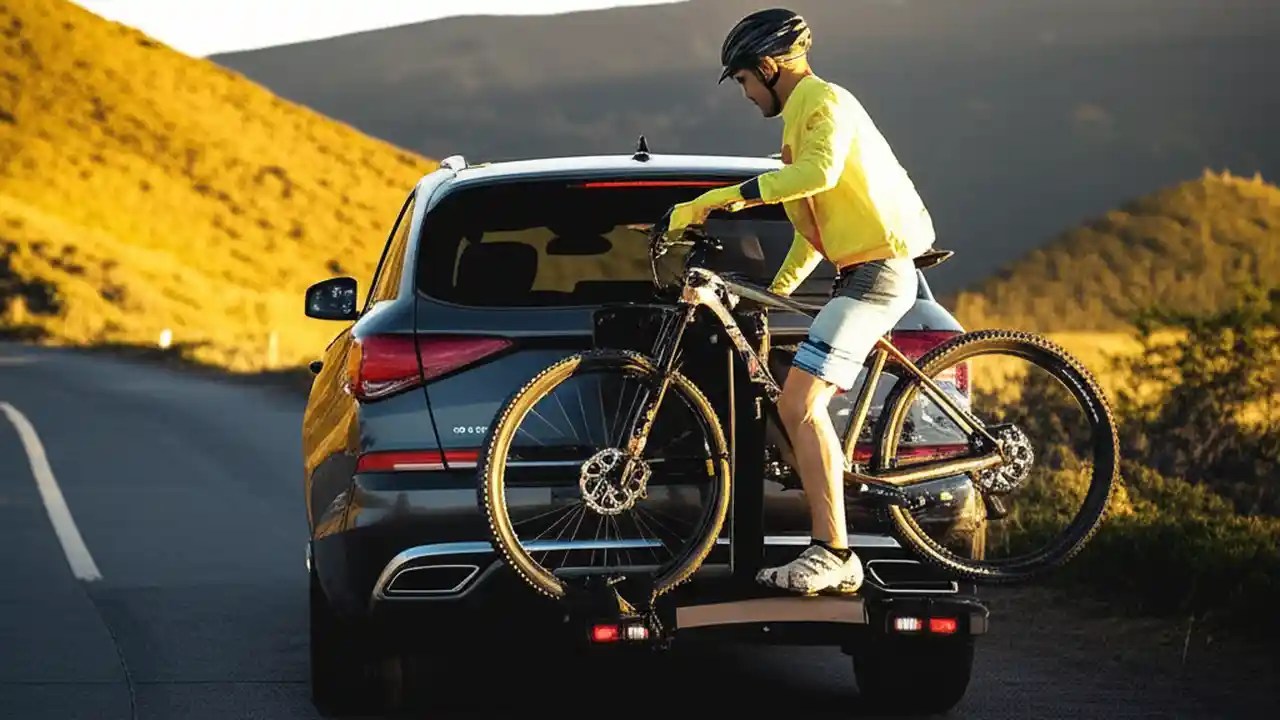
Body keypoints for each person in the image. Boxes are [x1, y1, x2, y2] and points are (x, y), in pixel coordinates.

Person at [659, 7, 937, 595]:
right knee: (797, 404)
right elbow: (813, 232)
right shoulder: (795, 124)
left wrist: (716, 201)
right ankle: (832, 542)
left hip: (879, 275)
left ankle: (833, 551)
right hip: (857, 273)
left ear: (765, 67)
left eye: (741, 80)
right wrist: (778, 291)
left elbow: (820, 173)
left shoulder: (825, 101)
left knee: (800, 406)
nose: (743, 92)